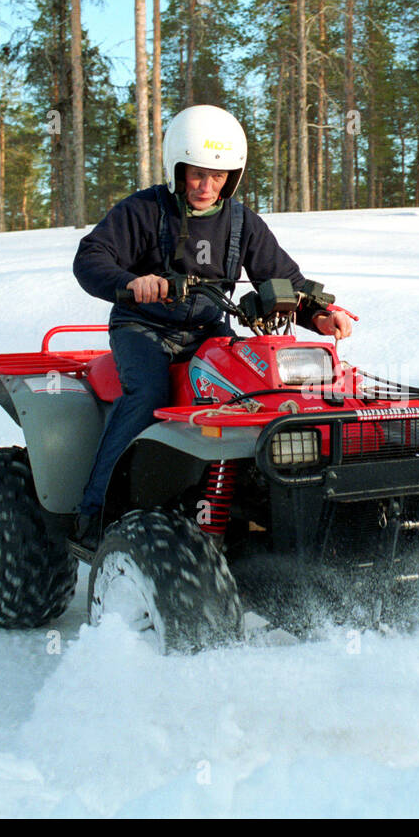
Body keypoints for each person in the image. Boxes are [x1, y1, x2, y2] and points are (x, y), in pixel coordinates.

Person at [72, 104, 353, 541]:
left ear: (232, 177)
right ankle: (97, 510)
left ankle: (260, 505)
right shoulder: (144, 210)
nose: (206, 186)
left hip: (208, 329)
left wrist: (318, 313)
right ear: (177, 169)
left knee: (259, 394)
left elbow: (285, 280)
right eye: (197, 174)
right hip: (143, 328)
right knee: (148, 394)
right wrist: (133, 283)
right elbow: (89, 260)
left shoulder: (241, 222)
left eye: (217, 177)